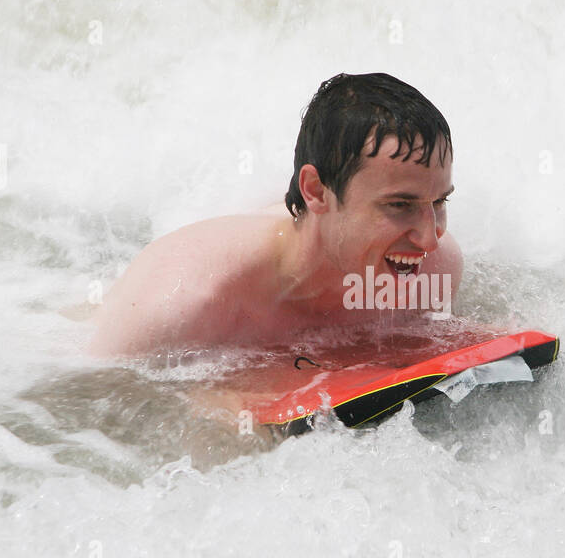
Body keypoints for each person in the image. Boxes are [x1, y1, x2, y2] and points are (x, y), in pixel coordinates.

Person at [88, 72, 463, 356]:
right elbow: (90, 411)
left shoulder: (432, 272)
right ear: (316, 191)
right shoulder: (182, 305)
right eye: (399, 206)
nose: (429, 239)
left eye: (439, 203)